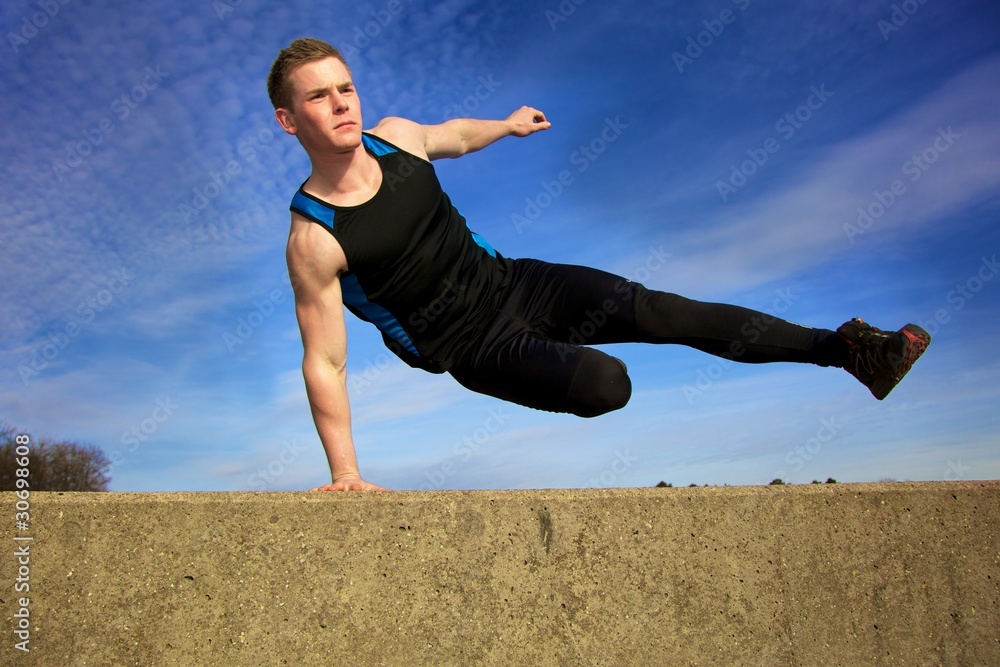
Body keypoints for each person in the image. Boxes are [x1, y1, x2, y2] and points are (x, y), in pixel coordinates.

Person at [267, 38, 931, 492]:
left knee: (663, 310)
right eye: (320, 96)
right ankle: (555, 363)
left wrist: (506, 124)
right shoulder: (315, 240)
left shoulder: (396, 137)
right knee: (608, 385)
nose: (342, 103)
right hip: (475, 347)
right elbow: (325, 360)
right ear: (288, 120)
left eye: (345, 87)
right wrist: (346, 471)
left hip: (518, 281)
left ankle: (847, 351)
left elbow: (454, 137)